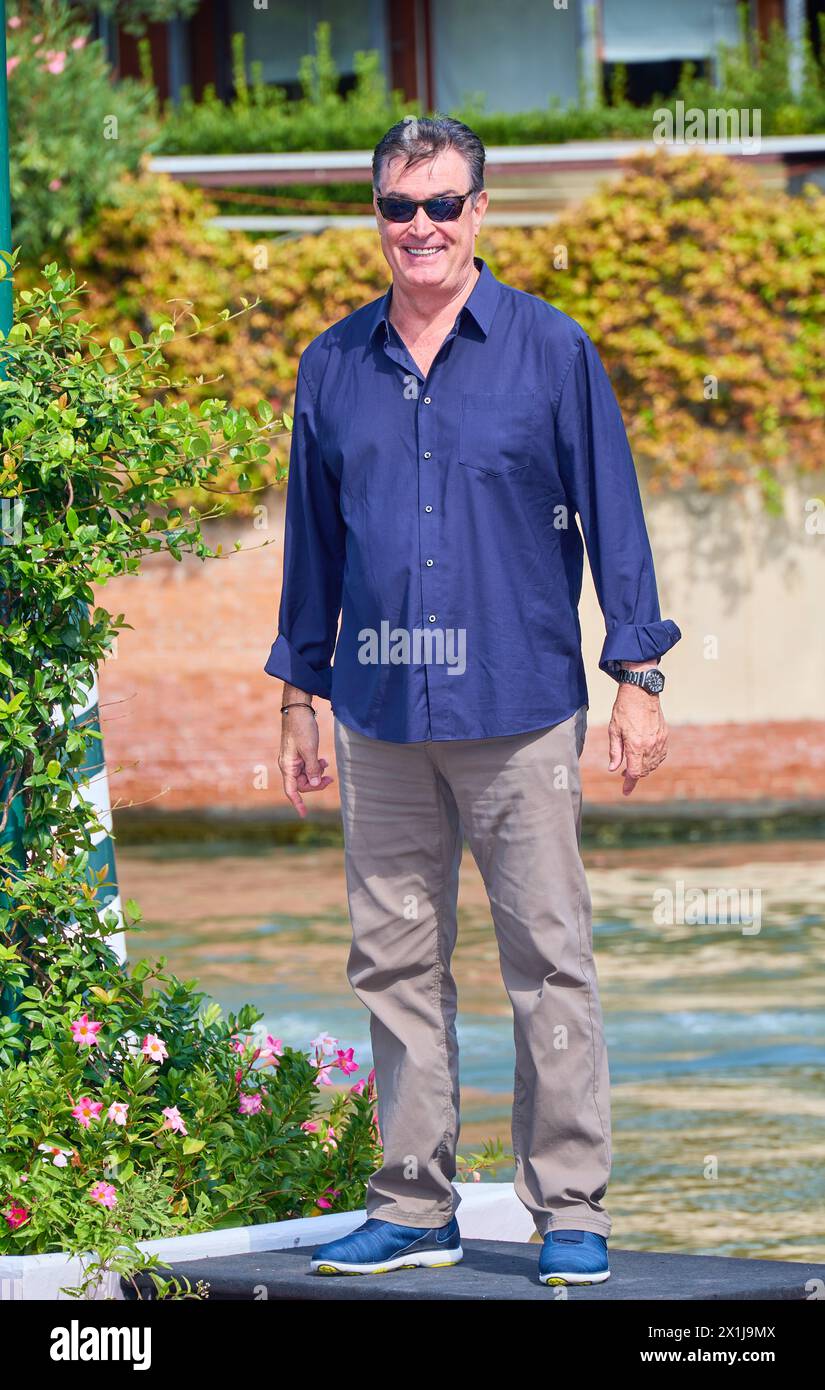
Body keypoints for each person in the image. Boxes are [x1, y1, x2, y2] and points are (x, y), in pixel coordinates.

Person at [264, 114, 681, 1287]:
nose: (423, 228)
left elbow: (617, 521)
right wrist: (298, 692)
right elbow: (313, 544)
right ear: (377, 217)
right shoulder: (333, 364)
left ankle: (571, 1207)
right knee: (393, 963)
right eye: (402, 208)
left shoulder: (553, 351)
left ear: (481, 212)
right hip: (379, 716)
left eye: (445, 205)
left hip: (522, 706)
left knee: (549, 957)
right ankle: (413, 1203)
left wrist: (637, 676)